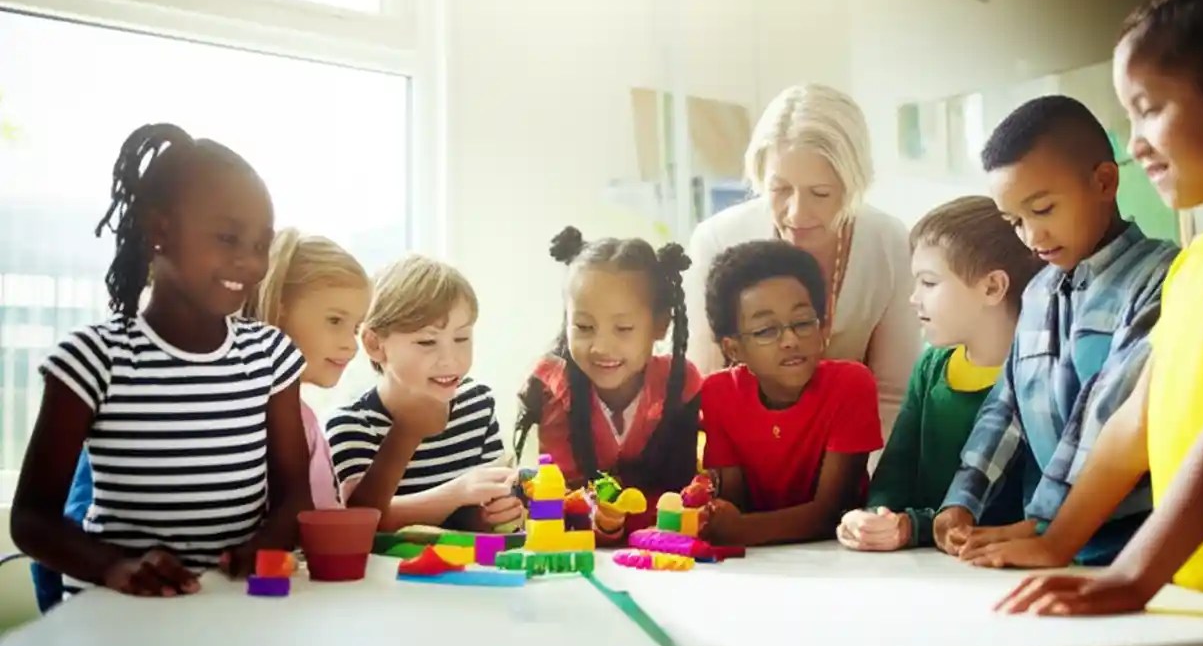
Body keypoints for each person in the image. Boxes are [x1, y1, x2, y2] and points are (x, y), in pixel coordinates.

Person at [987, 0, 1203, 614]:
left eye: (1147, 109)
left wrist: (1134, 575)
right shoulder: (1199, 259)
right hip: (1199, 596)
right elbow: (1133, 426)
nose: (1135, 142)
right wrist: (1057, 541)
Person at [11, 123, 312, 597]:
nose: (251, 264)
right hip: (120, 614)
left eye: (260, 246)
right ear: (159, 231)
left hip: (233, 609)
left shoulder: (271, 358)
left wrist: (271, 540)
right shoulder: (93, 359)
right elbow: (31, 520)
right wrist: (115, 566)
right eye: (228, 238)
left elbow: (295, 496)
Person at [932, 96, 1180, 565]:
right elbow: (1006, 405)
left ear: (1104, 181)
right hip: (1053, 547)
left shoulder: (1160, 277)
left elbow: (1108, 414)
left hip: (1136, 550)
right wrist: (964, 499)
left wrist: (1046, 526)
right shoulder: (1037, 292)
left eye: (1043, 209)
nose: (1030, 236)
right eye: (1015, 222)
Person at [685, 84, 919, 442]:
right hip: (742, 455)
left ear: (853, 182)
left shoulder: (888, 243)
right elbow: (703, 388)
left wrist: (859, 485)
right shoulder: (717, 240)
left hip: (853, 457)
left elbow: (891, 398)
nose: (796, 213)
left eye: (820, 193)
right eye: (780, 190)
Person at [838, 197, 1041, 551]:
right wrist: (873, 518)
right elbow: (894, 476)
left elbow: (1011, 511)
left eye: (929, 283)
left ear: (992, 287)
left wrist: (911, 527)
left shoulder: (1040, 378)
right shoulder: (932, 367)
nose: (913, 299)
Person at [511, 227, 701, 543]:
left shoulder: (680, 385)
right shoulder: (551, 388)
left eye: (623, 328)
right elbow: (564, 487)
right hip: (579, 544)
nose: (601, 346)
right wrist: (612, 505)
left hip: (665, 545)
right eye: (584, 326)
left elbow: (681, 487)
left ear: (660, 325)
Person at [700, 240, 883, 546]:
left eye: (802, 323)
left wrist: (739, 530)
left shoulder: (851, 384)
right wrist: (731, 525)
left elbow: (833, 511)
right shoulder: (718, 393)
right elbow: (734, 504)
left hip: (837, 555)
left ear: (824, 329)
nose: (789, 340)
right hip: (756, 563)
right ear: (734, 348)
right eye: (766, 330)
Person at [326, 255, 519, 532]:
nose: (450, 359)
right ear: (374, 343)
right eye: (427, 341)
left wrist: (494, 511)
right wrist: (456, 493)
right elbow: (363, 516)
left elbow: (483, 504)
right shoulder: (351, 426)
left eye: (462, 338)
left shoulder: (477, 403)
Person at [245, 228, 371, 510]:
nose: (352, 345)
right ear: (279, 313)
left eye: (356, 328)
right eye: (335, 321)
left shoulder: (304, 417)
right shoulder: (295, 423)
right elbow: (343, 522)